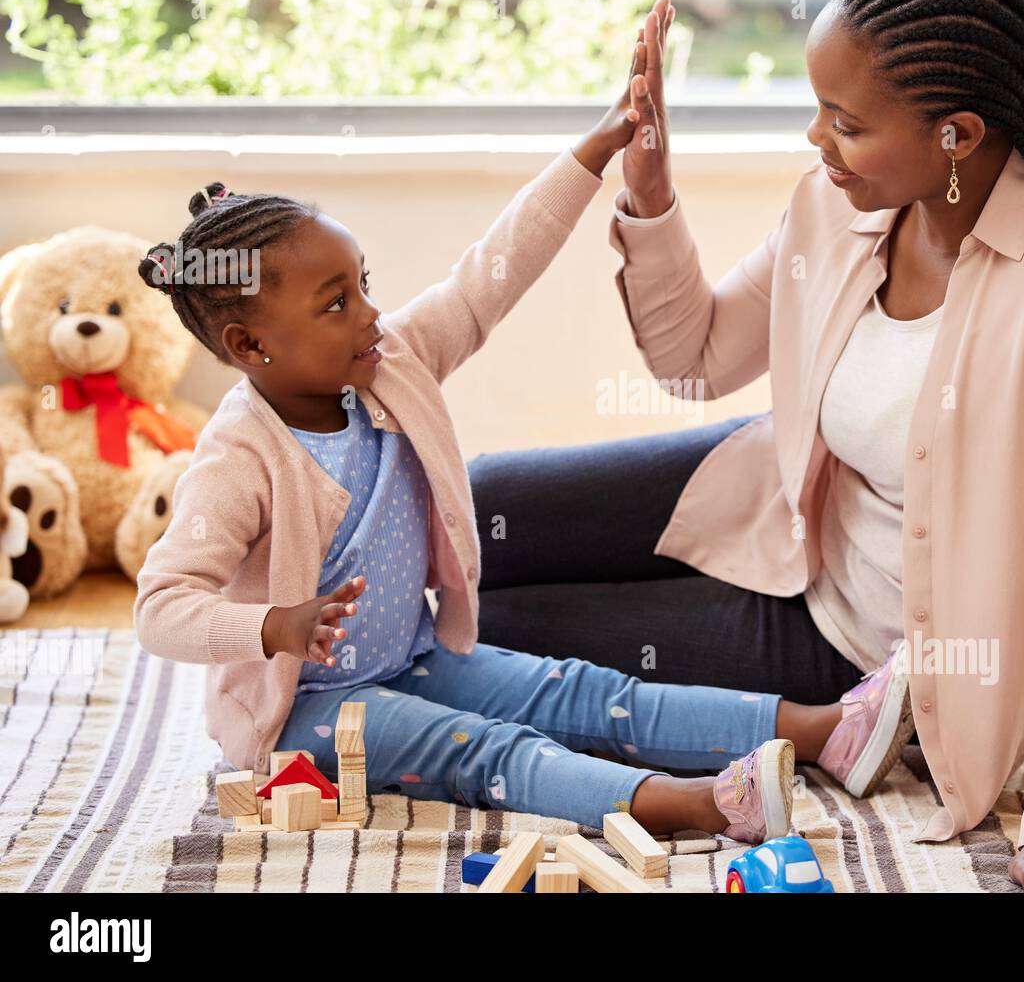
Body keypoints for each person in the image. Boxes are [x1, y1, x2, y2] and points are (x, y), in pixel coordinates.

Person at [473, 0, 1024, 892]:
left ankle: (850, 730)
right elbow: (698, 356)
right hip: (788, 511)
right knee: (472, 509)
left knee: (485, 627)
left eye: (844, 123)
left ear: (957, 135)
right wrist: (650, 196)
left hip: (872, 649)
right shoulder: (838, 204)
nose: (818, 141)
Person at [131, 56, 892, 844]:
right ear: (249, 344)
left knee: (578, 689)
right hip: (307, 716)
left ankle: (821, 728)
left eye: (362, 284)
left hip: (409, 655)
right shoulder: (238, 456)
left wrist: (591, 156)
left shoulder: (388, 362)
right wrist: (269, 628)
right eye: (336, 304)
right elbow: (159, 609)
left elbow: (484, 280)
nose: (370, 314)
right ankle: (695, 806)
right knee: (493, 750)